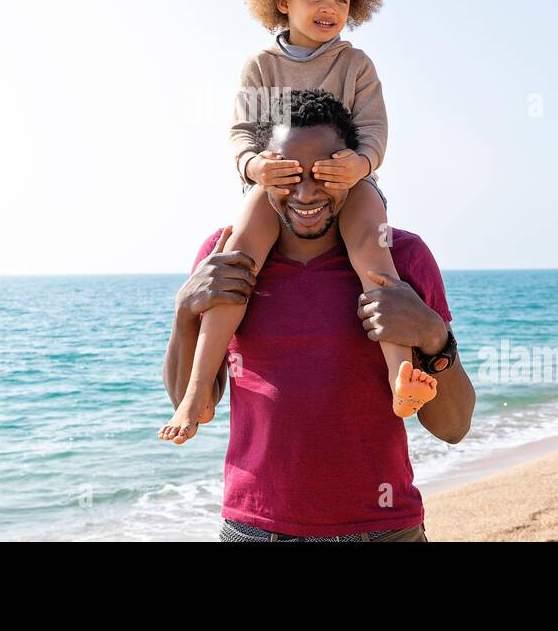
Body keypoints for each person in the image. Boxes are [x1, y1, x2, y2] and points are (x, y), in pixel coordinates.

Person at [159, 0, 438, 445]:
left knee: (373, 254)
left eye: (341, 0)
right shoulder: (260, 66)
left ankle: (399, 375)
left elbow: (375, 131)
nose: (329, 9)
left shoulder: (356, 64)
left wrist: (359, 165)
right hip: (278, 183)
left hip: (347, 183)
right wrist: (254, 167)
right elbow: (241, 132)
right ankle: (198, 389)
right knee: (236, 256)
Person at [161, 90, 476, 540]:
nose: (306, 193)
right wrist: (183, 312)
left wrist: (433, 336)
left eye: (324, 174)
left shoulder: (402, 256)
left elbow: (453, 427)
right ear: (262, 173)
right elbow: (193, 405)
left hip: (383, 529)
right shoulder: (226, 257)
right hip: (253, 529)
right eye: (288, 175)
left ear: (351, 170)